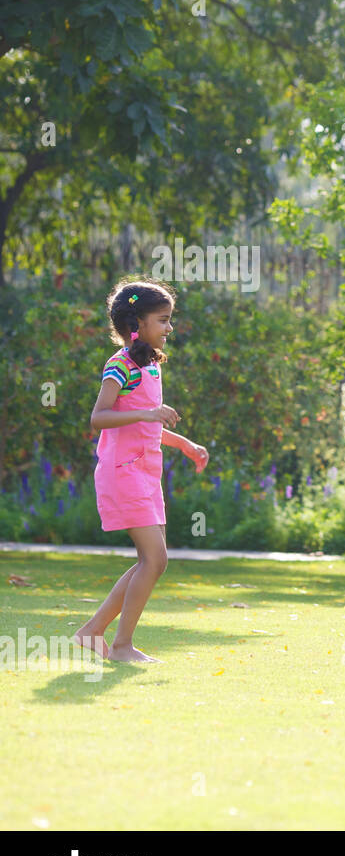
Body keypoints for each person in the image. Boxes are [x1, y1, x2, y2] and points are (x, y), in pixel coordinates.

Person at [74, 277, 209, 663]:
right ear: (138, 323)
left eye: (170, 320)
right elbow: (99, 418)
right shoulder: (121, 365)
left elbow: (144, 426)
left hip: (147, 472)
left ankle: (91, 632)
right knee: (155, 559)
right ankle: (120, 646)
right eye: (163, 319)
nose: (169, 327)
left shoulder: (150, 366)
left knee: (151, 561)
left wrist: (183, 443)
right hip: (123, 472)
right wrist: (149, 412)